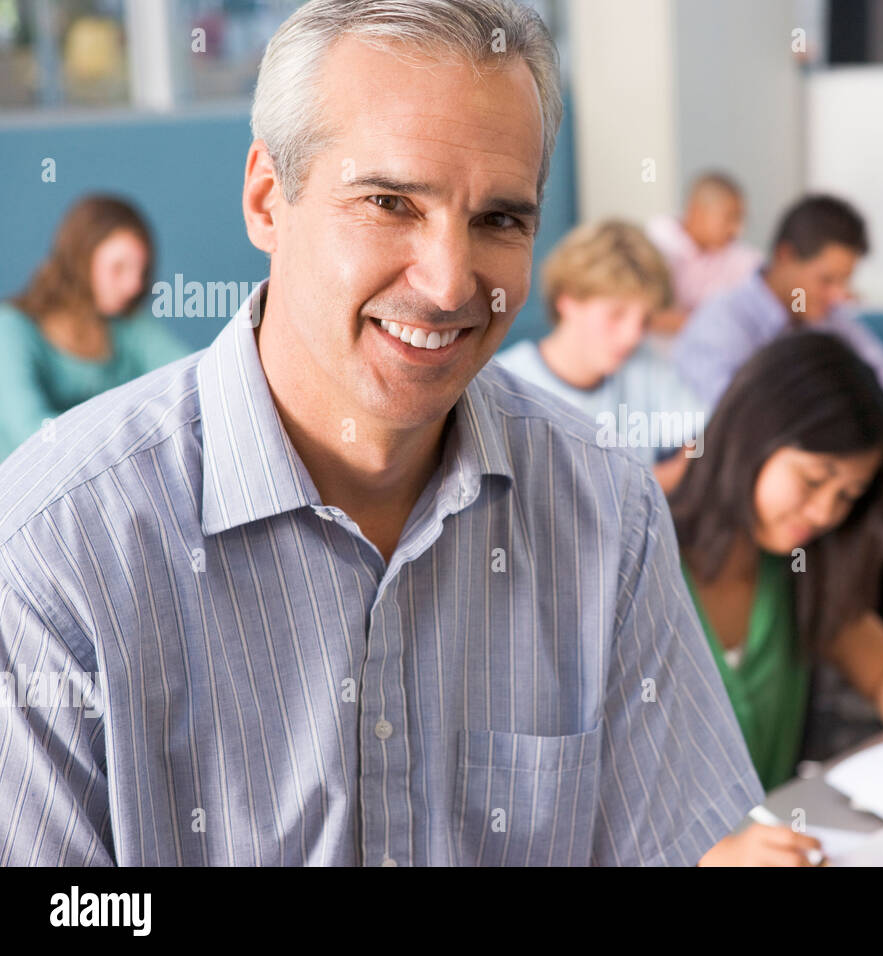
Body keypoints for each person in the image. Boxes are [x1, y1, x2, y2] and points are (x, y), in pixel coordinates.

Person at [0, 0, 763, 867]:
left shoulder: (606, 513)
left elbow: (690, 851)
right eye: (391, 202)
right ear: (266, 201)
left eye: (498, 221)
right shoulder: (52, 552)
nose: (447, 284)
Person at [680, 333, 883, 866]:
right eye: (813, 480)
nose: (825, 512)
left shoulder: (797, 564)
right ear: (751, 438)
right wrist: (712, 855)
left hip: (777, 844)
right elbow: (593, 784)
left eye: (848, 497)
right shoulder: (638, 554)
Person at [673, 194, 883, 414]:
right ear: (786, 256)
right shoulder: (723, 321)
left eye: (844, 282)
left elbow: (880, 371)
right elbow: (735, 412)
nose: (838, 295)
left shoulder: (826, 319)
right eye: (827, 280)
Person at [495, 220, 704, 491]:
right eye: (616, 314)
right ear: (567, 300)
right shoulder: (504, 385)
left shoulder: (645, 365)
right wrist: (652, 484)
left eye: (645, 319)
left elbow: (702, 435)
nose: (633, 335)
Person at [0, 195, 191, 461]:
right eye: (118, 268)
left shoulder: (128, 327)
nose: (134, 285)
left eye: (141, 271)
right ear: (80, 261)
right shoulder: (12, 328)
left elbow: (191, 375)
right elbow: (32, 433)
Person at [644, 171, 762, 335]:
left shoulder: (737, 256)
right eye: (730, 218)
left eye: (740, 219)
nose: (737, 230)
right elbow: (649, 316)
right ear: (697, 212)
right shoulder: (654, 245)